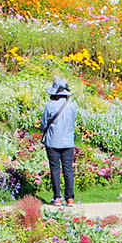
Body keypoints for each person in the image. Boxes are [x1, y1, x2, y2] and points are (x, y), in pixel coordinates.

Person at [39, 78, 76, 206]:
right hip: (68, 142)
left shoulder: (49, 106)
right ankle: (70, 198)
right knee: (68, 169)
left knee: (55, 169)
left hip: (52, 141)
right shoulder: (72, 106)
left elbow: (44, 124)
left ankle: (57, 198)